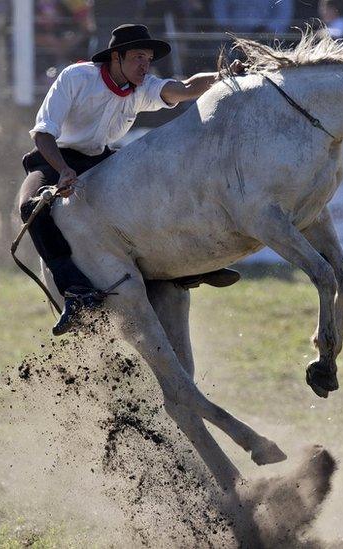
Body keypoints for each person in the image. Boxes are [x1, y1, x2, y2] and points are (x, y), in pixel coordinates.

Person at [19, 24, 243, 335]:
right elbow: (43, 134)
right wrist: (64, 170)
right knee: (32, 209)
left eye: (148, 59)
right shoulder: (76, 77)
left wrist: (223, 77)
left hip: (99, 160)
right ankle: (74, 291)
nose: (144, 66)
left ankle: (188, 267)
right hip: (54, 158)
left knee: (152, 188)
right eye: (138, 57)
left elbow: (186, 88)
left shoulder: (142, 87)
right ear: (116, 57)